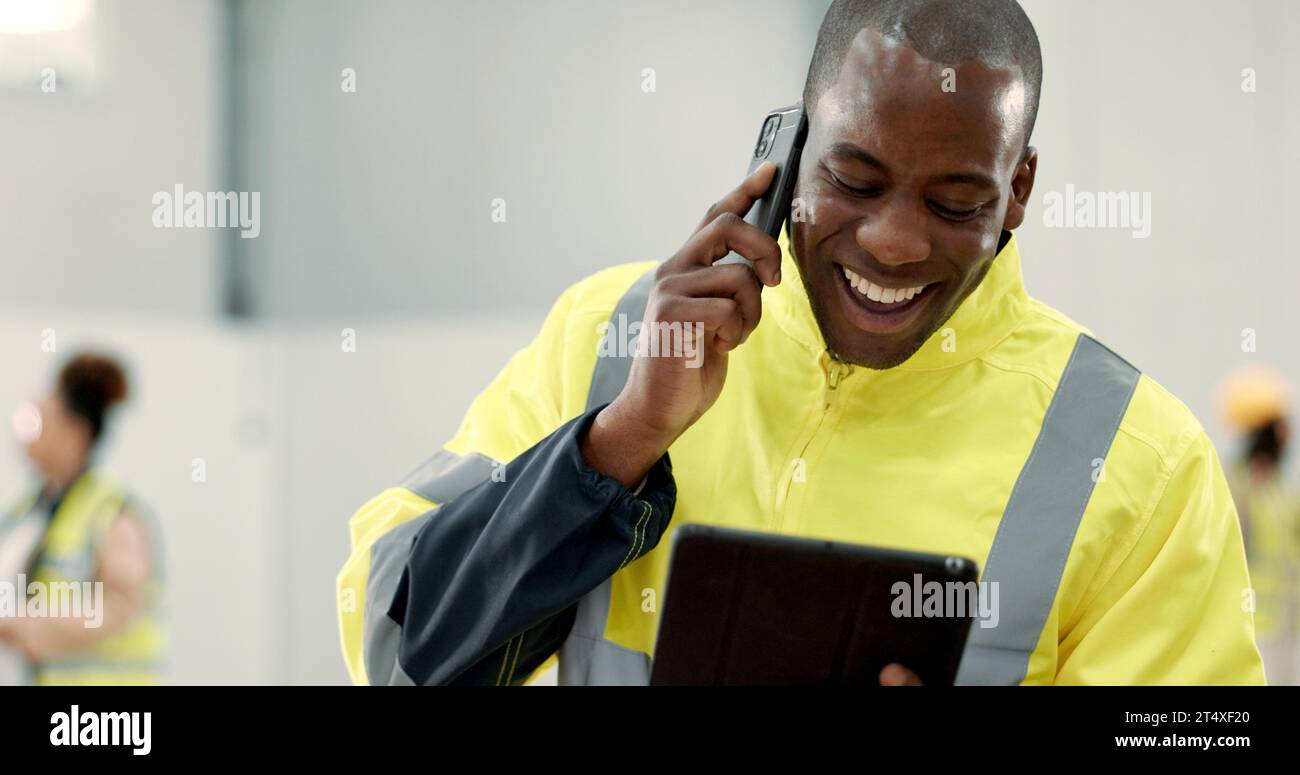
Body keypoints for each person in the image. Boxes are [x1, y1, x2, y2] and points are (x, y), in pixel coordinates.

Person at [338, 0, 1265, 685]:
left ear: (1018, 190)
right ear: (786, 150)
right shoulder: (608, 337)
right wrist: (618, 440)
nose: (895, 241)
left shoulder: (1137, 455)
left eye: (956, 203)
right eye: (854, 181)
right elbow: (396, 647)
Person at [0, 353, 165, 685]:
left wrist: (24, 625)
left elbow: (118, 607)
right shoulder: (29, 509)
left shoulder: (113, 512)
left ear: (76, 432)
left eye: (41, 421)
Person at [1220, 366, 1300, 684]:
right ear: (1264, 430)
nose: (1287, 434)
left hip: (1286, 625)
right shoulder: (1238, 488)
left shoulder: (1280, 489)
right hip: (1252, 629)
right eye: (1280, 425)